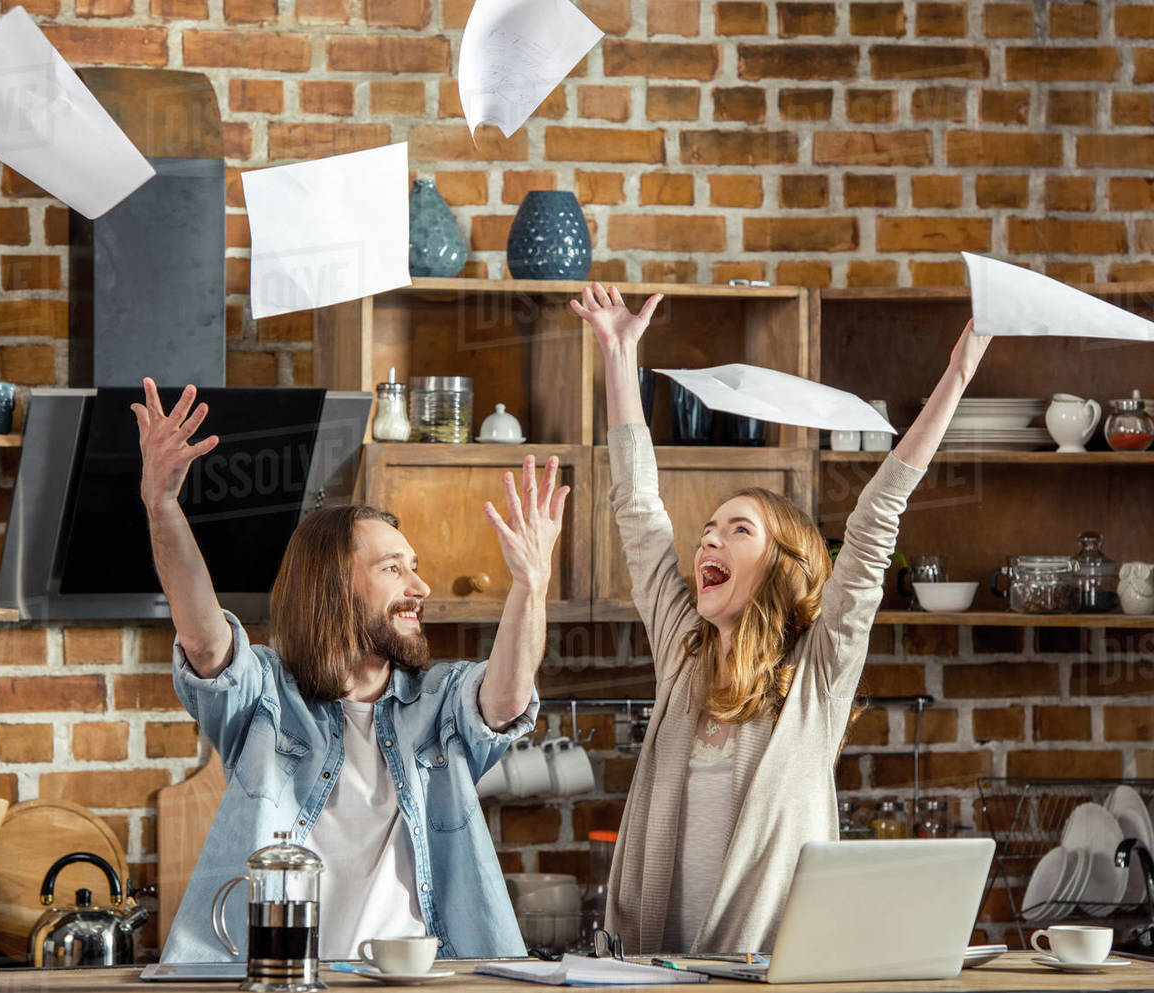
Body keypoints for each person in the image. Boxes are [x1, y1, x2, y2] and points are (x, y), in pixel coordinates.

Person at [570, 282, 992, 955]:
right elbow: (639, 509)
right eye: (708, 529)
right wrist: (620, 357)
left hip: (768, 978)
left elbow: (876, 520)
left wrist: (960, 371)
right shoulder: (682, 657)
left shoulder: (817, 678)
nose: (708, 540)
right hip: (651, 975)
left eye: (737, 529)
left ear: (782, 564)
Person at [132, 378, 569, 962]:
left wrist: (531, 582)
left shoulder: (440, 702)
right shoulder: (266, 698)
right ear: (336, 588)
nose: (421, 587)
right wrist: (161, 504)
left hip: (422, 980)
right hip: (285, 977)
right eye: (394, 569)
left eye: (415, 567)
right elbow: (205, 640)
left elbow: (508, 699)